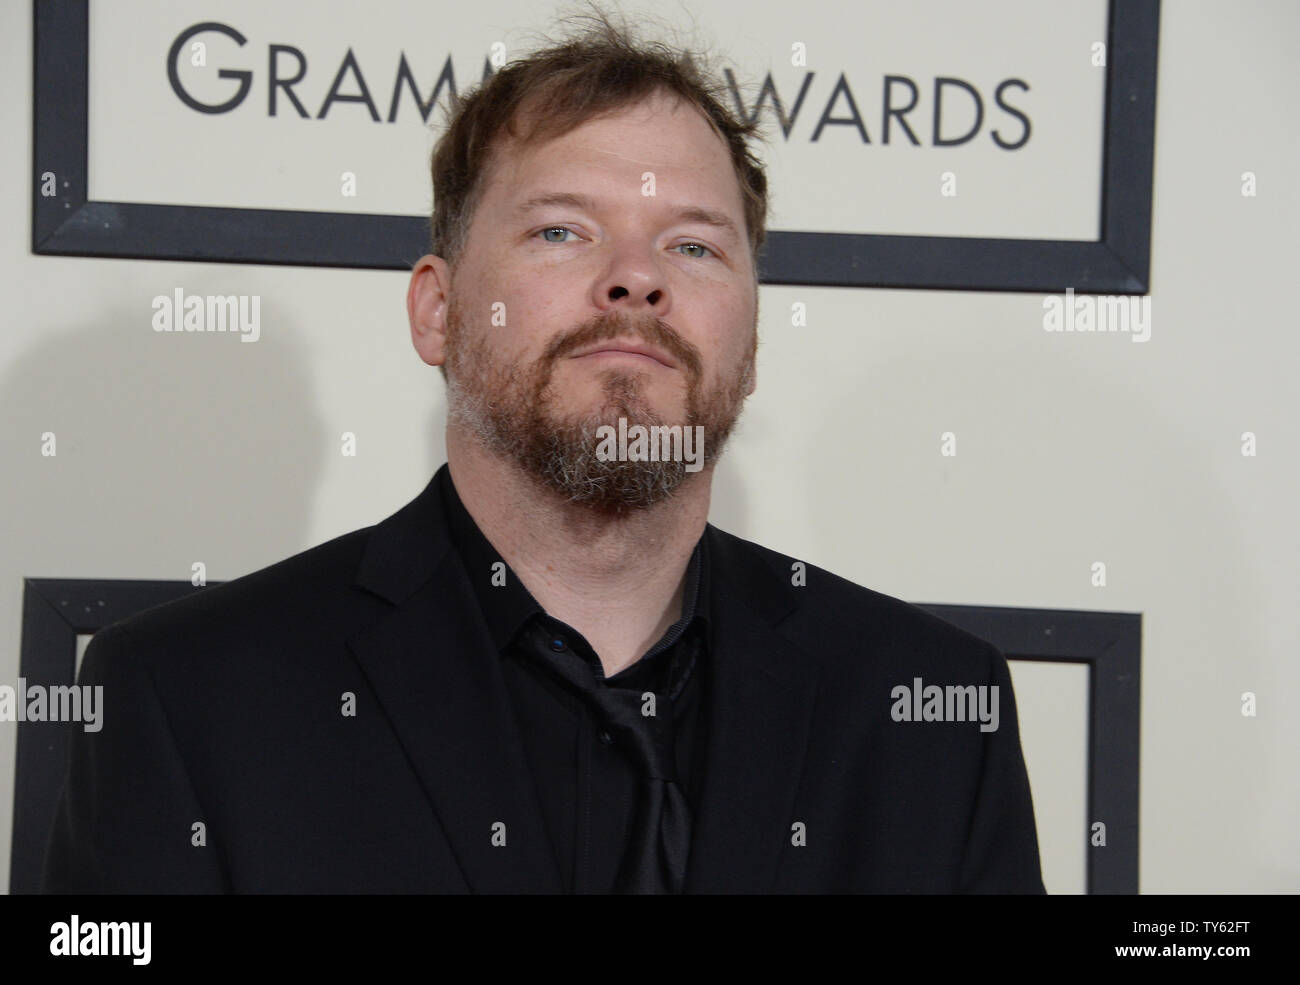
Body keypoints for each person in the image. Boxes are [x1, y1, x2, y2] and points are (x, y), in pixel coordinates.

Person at [42, 10, 1045, 894]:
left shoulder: (927, 716)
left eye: (692, 245)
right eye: (563, 231)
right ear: (438, 311)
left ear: (750, 333)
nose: (635, 279)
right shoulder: (188, 699)